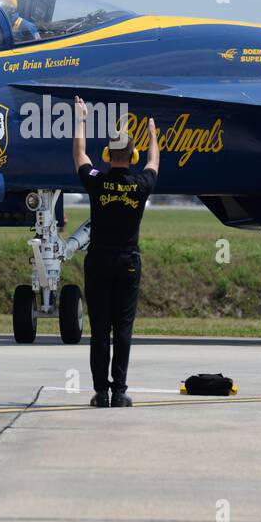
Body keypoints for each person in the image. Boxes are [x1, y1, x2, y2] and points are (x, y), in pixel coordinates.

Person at [72, 96, 160, 408]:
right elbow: (154, 163)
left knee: (99, 330)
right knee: (123, 329)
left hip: (98, 261)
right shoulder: (140, 184)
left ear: (108, 155)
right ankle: (120, 392)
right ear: (132, 155)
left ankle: (101, 392)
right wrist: (152, 136)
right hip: (128, 263)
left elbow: (80, 155)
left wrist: (81, 119)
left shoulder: (97, 182)